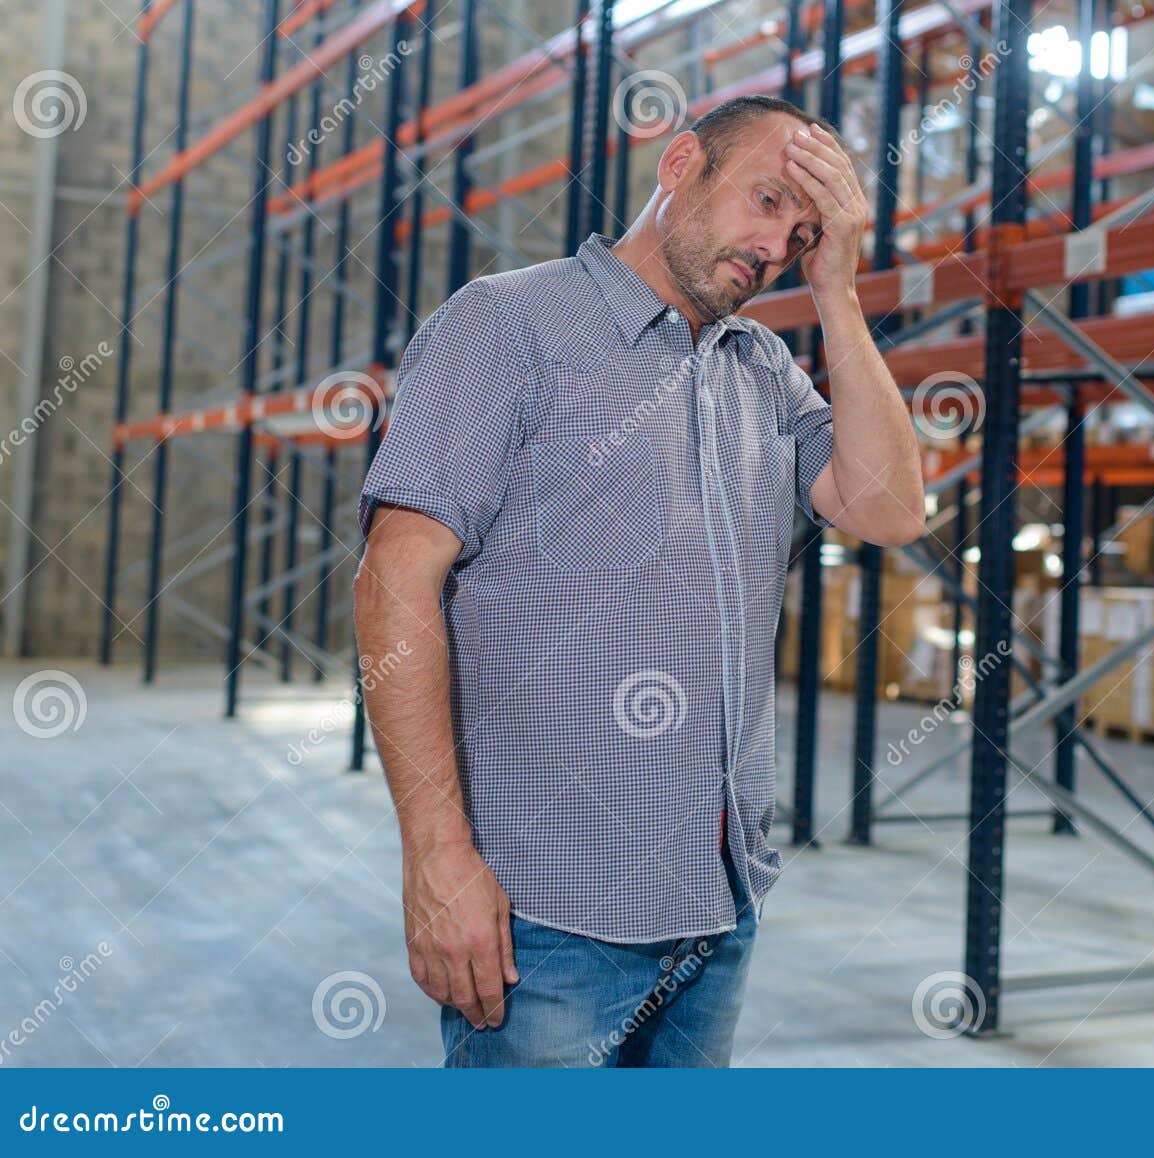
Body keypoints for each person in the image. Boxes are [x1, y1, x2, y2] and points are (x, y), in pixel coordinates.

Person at [352, 93, 925, 1067]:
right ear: (678, 166)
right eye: (765, 200)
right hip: (547, 912)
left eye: (800, 233)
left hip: (716, 906)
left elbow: (889, 510)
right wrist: (438, 858)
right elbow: (392, 588)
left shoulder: (763, 369)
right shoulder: (507, 324)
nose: (772, 244)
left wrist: (838, 292)